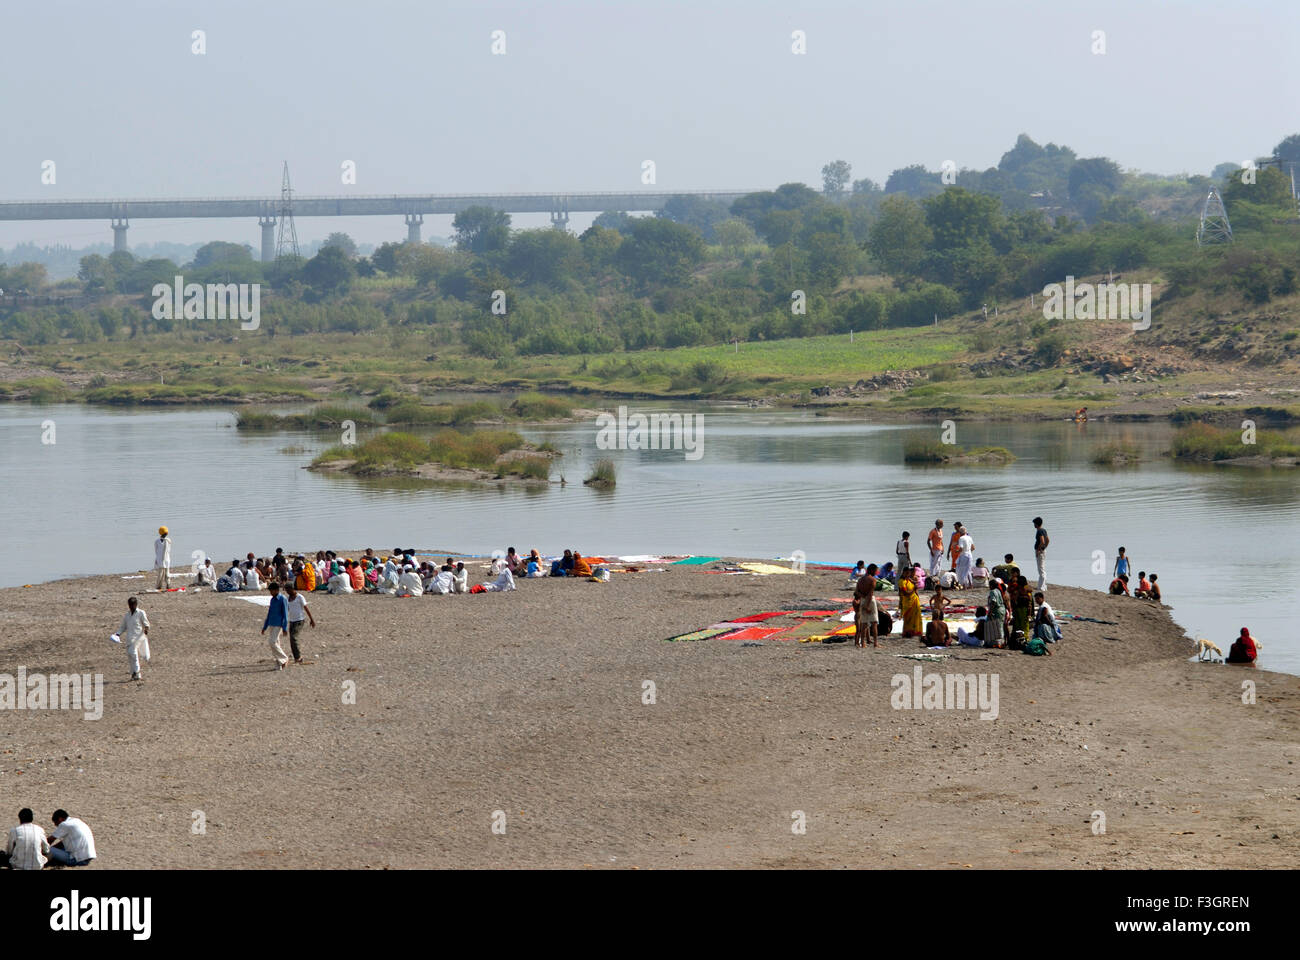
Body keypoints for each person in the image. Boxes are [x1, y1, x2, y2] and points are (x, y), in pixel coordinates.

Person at [117, 596, 150, 682]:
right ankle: (133, 673)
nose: (131, 607)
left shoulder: (141, 613)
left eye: (132, 605)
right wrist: (117, 634)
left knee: (133, 653)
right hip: (129, 638)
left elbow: (146, 623)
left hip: (138, 637)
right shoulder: (127, 615)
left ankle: (137, 673)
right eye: (130, 605)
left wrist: (146, 629)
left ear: (136, 604)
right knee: (130, 655)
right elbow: (123, 627)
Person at [261, 581, 290, 670]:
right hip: (271, 623)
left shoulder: (282, 599)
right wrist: (265, 627)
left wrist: (284, 627)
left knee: (272, 642)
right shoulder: (272, 600)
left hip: (278, 624)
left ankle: (284, 658)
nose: (271, 593)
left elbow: (285, 613)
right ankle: (279, 664)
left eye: (272, 591)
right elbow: (269, 613)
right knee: (276, 643)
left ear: (276, 590)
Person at [284, 584, 315, 664]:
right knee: (291, 639)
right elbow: (287, 609)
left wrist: (311, 619)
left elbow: (306, 608)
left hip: (299, 620)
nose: (287, 592)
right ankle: (296, 657)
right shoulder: (288, 599)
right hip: (292, 621)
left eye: (288, 590)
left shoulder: (299, 597)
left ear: (292, 589)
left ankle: (298, 657)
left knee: (294, 637)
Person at [853, 563, 880, 648]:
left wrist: (863, 597)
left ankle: (863, 643)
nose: (876, 572)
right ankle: (875, 643)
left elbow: (856, 592)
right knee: (874, 623)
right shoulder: (872, 580)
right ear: (872, 570)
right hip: (870, 601)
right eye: (876, 571)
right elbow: (870, 594)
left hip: (863, 600)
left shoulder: (860, 580)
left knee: (864, 624)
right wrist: (867, 606)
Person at [897, 569, 922, 639]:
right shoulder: (902, 582)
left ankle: (914, 631)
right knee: (908, 618)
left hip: (914, 600)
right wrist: (914, 589)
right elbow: (905, 593)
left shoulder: (908, 580)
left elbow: (914, 582)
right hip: (907, 602)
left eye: (909, 574)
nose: (908, 575)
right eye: (906, 573)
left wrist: (915, 584)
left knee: (915, 617)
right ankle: (907, 632)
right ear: (904, 573)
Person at [984, 580, 1007, 648]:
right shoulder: (998, 591)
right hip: (1002, 609)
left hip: (997, 610)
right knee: (1000, 625)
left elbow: (993, 602)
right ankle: (1000, 641)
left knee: (996, 625)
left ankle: (997, 642)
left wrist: (990, 612)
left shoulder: (993, 591)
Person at [1032, 516, 1049, 592]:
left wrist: (1039, 550)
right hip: (1043, 551)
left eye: (1034, 523)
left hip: (1040, 552)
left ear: (1036, 524)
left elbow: (1042, 541)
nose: (1034, 525)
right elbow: (1048, 540)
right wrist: (1044, 548)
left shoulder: (1039, 531)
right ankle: (1043, 586)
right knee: (1042, 569)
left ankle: (1042, 587)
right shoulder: (1044, 530)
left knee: (1041, 570)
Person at [154, 525, 172, 590]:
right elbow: (156, 550)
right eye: (165, 533)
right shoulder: (158, 541)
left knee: (166, 574)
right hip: (161, 559)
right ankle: (159, 586)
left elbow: (157, 550)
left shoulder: (168, 540)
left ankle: (168, 585)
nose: (166, 534)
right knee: (161, 574)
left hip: (166, 559)